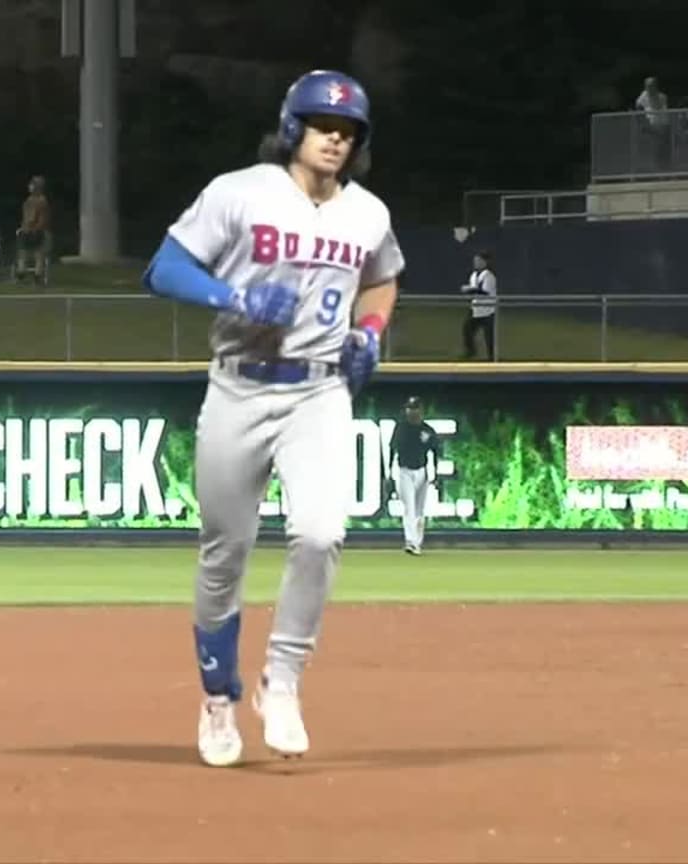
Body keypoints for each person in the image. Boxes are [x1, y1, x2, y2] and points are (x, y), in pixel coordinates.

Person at [142, 69, 404, 767]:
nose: (335, 141)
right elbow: (164, 268)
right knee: (224, 554)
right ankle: (217, 699)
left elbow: (382, 279)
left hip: (319, 391)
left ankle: (281, 681)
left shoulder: (367, 214)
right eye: (323, 127)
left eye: (347, 132)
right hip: (239, 387)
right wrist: (233, 297)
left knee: (321, 534)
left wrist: (370, 332)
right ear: (292, 128)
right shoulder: (240, 193)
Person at [387, 396, 442, 555]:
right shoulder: (401, 428)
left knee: (419, 510)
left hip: (422, 472)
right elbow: (392, 450)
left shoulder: (427, 430)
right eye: (409, 408)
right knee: (409, 508)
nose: (411, 412)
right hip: (404, 472)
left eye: (415, 408)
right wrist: (389, 473)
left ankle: (417, 542)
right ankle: (410, 541)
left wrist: (435, 474)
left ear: (421, 411)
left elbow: (435, 452)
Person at [15, 175, 52, 283]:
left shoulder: (42, 201)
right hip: (26, 230)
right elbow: (25, 217)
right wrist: (23, 227)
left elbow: (42, 218)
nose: (30, 186)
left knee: (38, 253)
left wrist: (36, 228)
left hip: (36, 231)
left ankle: (37, 274)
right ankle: (21, 272)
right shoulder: (29, 200)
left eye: (32, 185)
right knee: (23, 252)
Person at [461, 251, 497, 360]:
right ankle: (470, 352)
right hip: (476, 309)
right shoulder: (473, 275)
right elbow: (474, 291)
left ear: (485, 262)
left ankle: (492, 357)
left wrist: (470, 289)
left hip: (487, 311)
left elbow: (485, 292)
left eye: (479, 261)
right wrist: (469, 291)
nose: (476, 263)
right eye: (475, 261)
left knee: (489, 337)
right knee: (467, 329)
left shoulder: (488, 275)